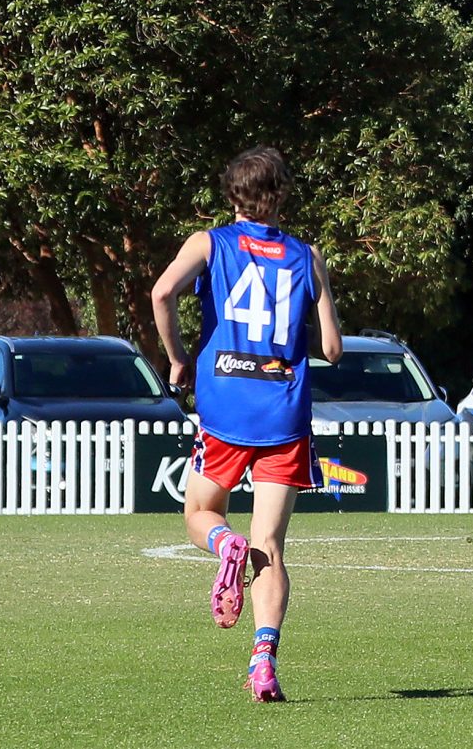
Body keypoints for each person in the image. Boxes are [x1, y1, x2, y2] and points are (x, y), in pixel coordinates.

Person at [146, 147, 344, 705]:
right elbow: (332, 349)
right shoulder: (307, 255)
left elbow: (162, 292)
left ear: (233, 195)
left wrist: (179, 356)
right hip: (282, 412)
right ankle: (263, 662)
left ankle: (223, 543)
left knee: (199, 513)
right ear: (281, 194)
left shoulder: (209, 244)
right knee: (272, 548)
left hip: (224, 407)